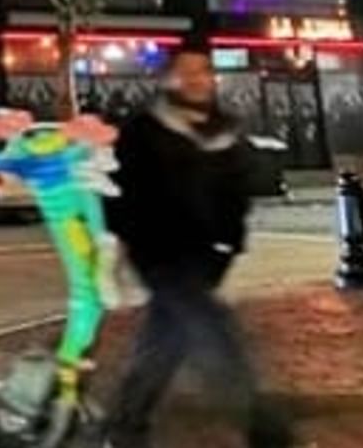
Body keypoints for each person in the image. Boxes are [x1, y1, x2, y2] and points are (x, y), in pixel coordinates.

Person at [103, 44, 293, 448]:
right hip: (159, 254)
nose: (195, 79)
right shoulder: (144, 130)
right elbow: (121, 194)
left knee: (166, 340)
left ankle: (124, 425)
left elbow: (238, 193)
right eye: (185, 71)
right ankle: (263, 426)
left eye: (203, 71)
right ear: (168, 78)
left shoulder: (226, 132)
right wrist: (120, 248)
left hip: (208, 256)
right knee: (215, 331)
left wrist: (229, 245)